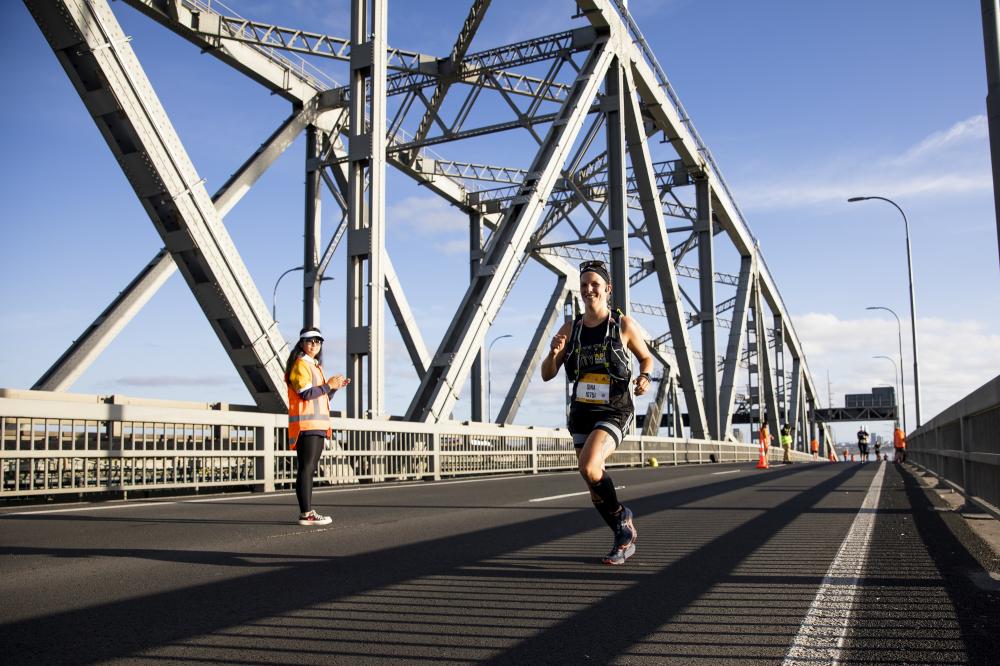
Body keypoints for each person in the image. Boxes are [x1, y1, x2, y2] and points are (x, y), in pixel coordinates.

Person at [540, 260, 654, 565]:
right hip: (581, 413)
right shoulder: (571, 328)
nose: (589, 289)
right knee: (592, 480)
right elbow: (546, 374)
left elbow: (646, 359)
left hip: (614, 409)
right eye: (584, 284)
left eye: (595, 284)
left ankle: (622, 522)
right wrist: (553, 354)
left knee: (590, 466)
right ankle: (622, 532)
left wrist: (645, 377)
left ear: (607, 289)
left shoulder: (623, 326)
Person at [285, 327, 350, 526]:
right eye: (310, 341)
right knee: (306, 468)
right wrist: (328, 385)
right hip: (306, 424)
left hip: (317, 424)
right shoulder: (300, 364)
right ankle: (306, 513)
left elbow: (321, 395)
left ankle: (307, 512)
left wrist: (334, 388)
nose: (315, 344)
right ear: (302, 343)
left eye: (318, 341)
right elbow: (305, 393)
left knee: (308, 468)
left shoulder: (315, 366)